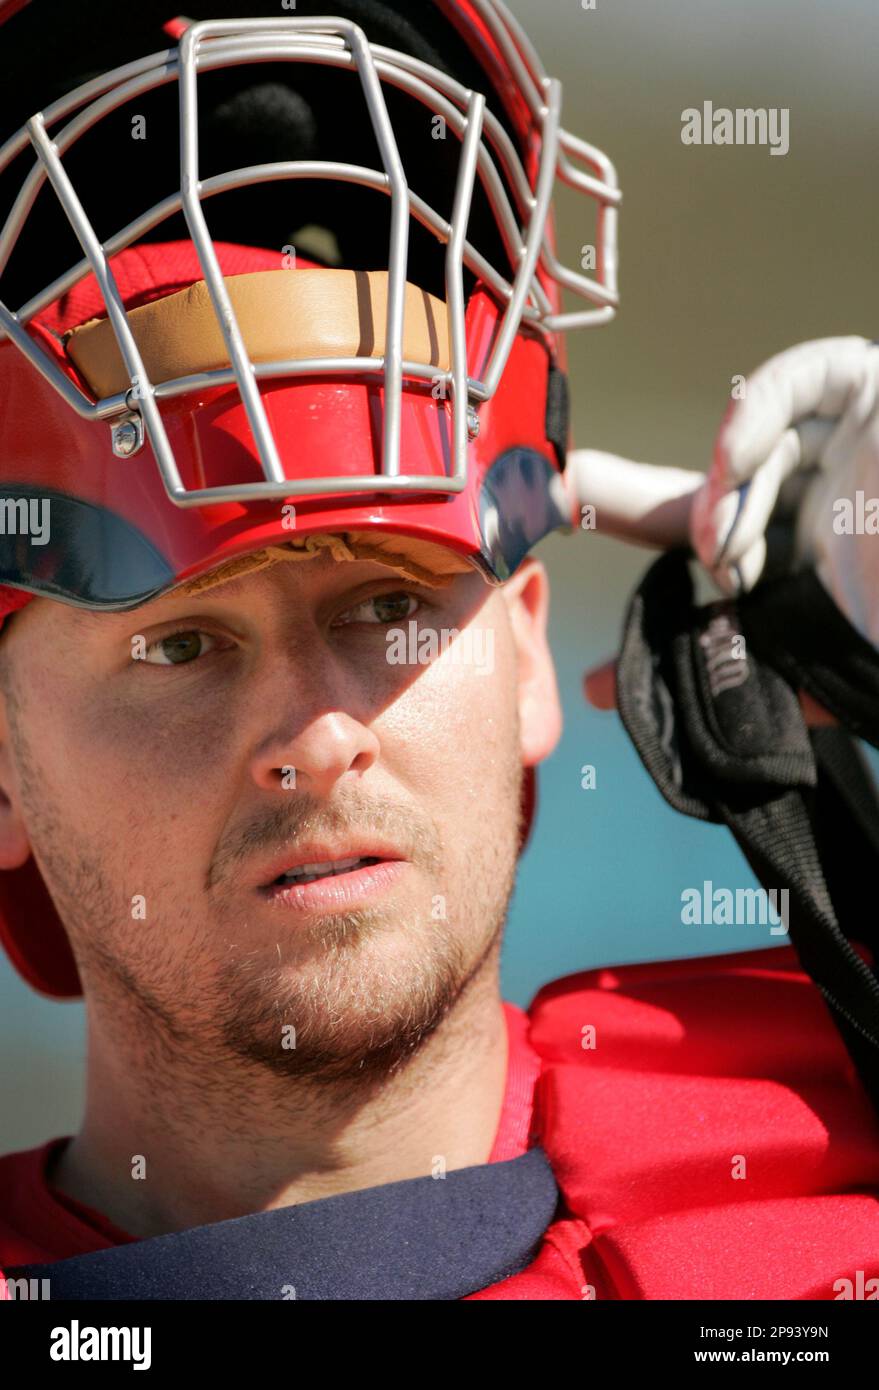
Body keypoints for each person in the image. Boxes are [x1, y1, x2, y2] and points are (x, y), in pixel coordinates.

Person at [0, 0, 876, 1302]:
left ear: (529, 654)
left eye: (384, 606)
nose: (317, 735)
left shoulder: (841, 1108)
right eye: (181, 641)